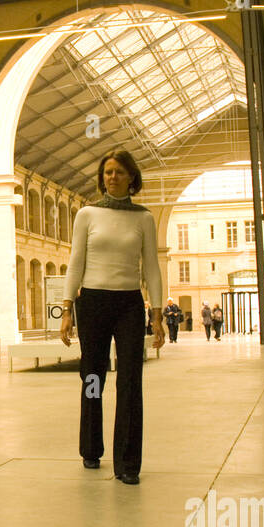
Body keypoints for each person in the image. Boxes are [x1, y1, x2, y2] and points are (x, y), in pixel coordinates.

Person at [60, 149, 164, 485]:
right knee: (93, 377)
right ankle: (91, 447)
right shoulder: (87, 214)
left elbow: (151, 267)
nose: (112, 177)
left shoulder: (144, 218)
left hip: (129, 304)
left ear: (132, 178)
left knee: (130, 381)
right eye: (107, 172)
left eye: (119, 172)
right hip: (92, 303)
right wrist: (66, 310)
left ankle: (128, 463)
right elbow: (76, 261)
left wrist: (158, 314)